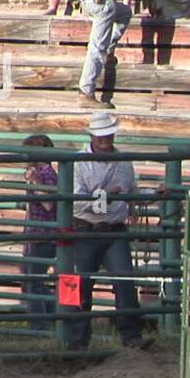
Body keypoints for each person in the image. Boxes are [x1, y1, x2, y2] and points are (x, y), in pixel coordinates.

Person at [65, 112, 152, 351]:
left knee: (124, 279)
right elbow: (76, 202)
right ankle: (76, 338)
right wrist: (107, 197)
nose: (105, 140)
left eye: (108, 135)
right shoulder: (78, 162)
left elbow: (130, 191)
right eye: (101, 136)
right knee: (80, 284)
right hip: (86, 227)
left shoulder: (122, 161)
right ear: (92, 136)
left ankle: (130, 335)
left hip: (111, 228)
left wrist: (150, 195)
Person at [21, 135, 59, 330]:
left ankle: (40, 325)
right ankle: (52, 316)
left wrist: (35, 183)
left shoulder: (47, 175)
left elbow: (48, 204)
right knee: (32, 279)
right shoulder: (38, 173)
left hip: (43, 235)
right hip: (35, 234)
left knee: (33, 282)